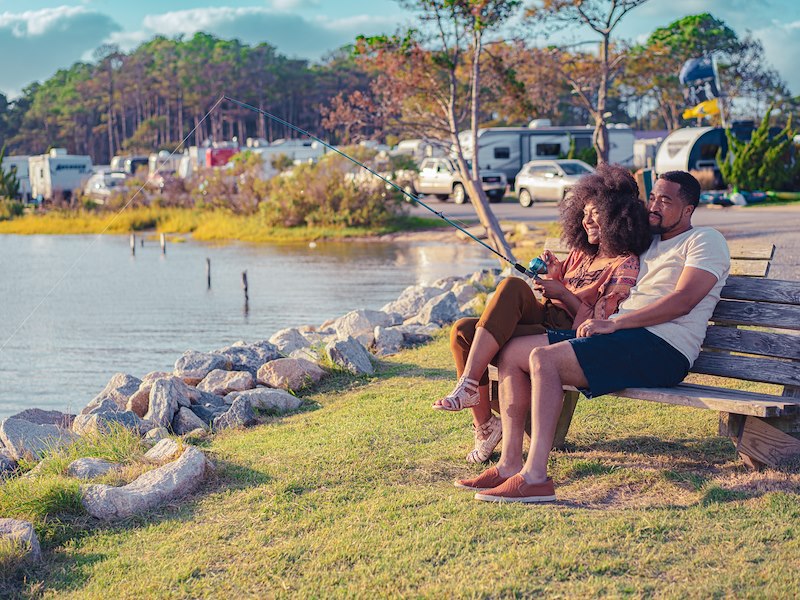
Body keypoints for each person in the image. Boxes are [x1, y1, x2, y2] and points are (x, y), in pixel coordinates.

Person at [458, 170, 730, 503]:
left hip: (663, 347)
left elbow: (684, 300)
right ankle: (509, 464)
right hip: (624, 338)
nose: (655, 206)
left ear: (688, 210)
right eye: (654, 197)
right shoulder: (647, 242)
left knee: (544, 359)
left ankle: (536, 477)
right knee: (513, 351)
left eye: (666, 200)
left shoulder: (705, 240)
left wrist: (616, 324)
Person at [434, 164, 652, 463]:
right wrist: (555, 276)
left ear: (617, 216)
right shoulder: (582, 252)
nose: (586, 220)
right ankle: (485, 425)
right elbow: (563, 286)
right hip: (545, 319)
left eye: (595, 214)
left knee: (484, 324)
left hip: (568, 334)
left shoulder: (624, 264)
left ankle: (470, 388)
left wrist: (563, 293)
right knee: (462, 330)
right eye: (584, 212)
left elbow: (597, 323)